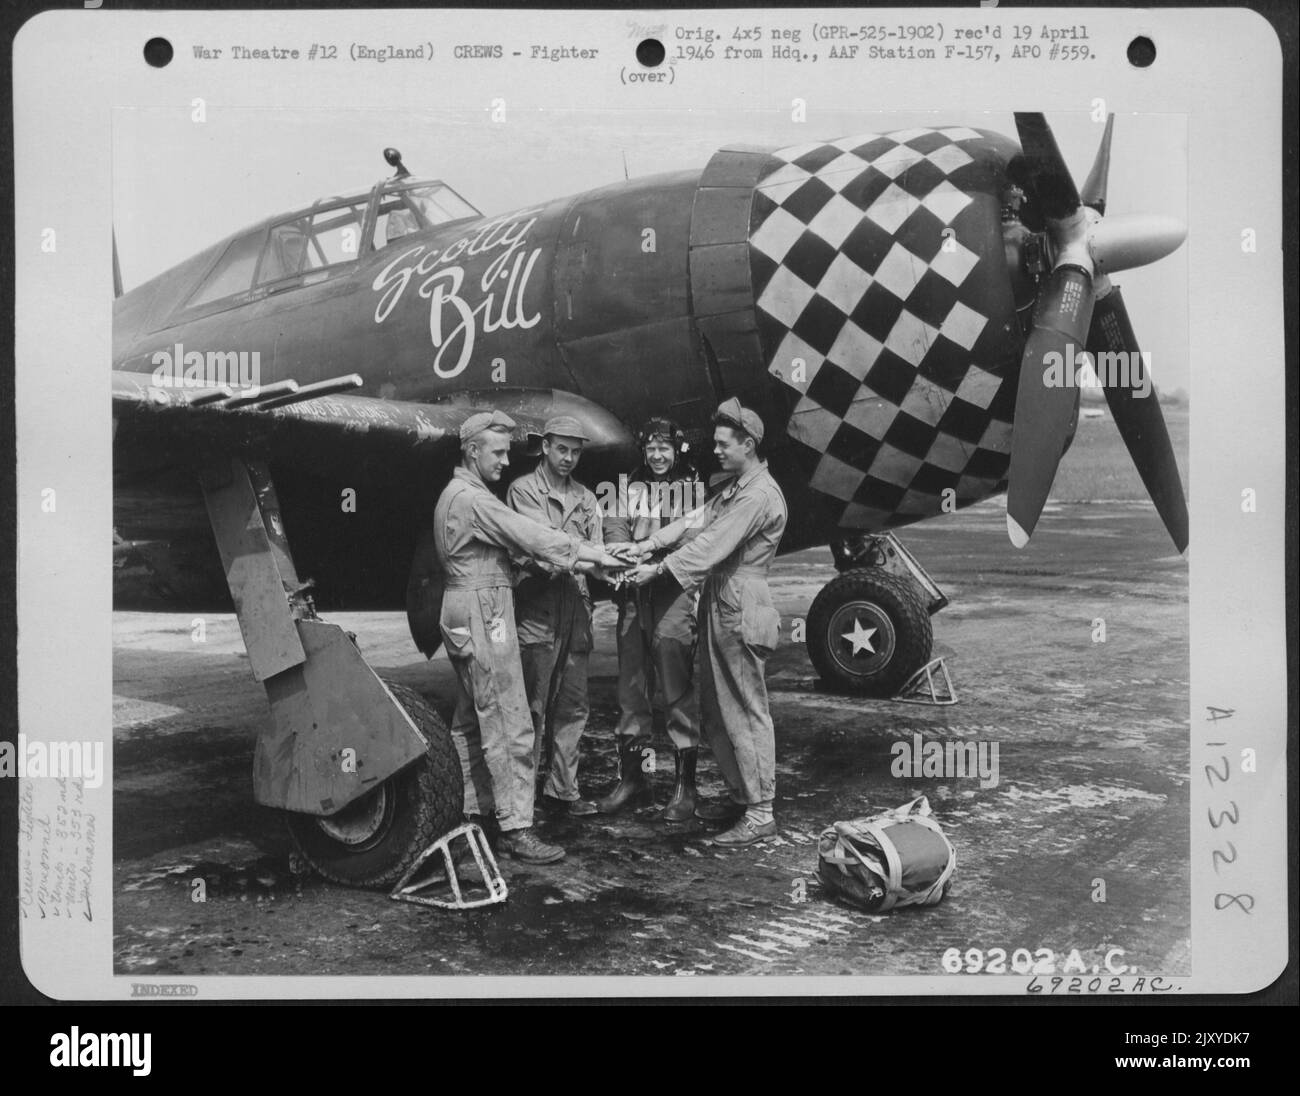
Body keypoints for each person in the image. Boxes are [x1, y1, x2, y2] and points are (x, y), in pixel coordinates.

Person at [434, 410, 625, 864]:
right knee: (511, 722)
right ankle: (517, 828)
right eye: (497, 453)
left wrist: (592, 556)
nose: (504, 461)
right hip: (485, 610)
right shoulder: (476, 500)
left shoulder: (462, 493)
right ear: (472, 450)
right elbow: (532, 537)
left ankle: (467, 815)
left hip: (467, 606)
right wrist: (590, 553)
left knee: (470, 720)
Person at [625, 399, 787, 847]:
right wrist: (647, 545)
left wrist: (656, 569)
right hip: (721, 598)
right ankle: (742, 796)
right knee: (718, 706)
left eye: (722, 444)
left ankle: (760, 812)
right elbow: (695, 519)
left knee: (745, 706)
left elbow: (711, 543)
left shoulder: (757, 495)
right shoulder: (737, 488)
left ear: (748, 445)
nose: (713, 450)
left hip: (740, 599)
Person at [598, 418, 704, 821]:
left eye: (665, 448)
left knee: (675, 687)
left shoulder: (692, 491)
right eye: (651, 448)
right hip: (632, 594)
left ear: (677, 450)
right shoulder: (627, 488)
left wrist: (653, 564)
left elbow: (692, 542)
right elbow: (613, 530)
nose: (658, 455)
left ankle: (686, 790)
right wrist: (624, 555)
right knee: (631, 687)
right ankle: (635, 781)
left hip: (672, 594)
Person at [507, 416, 604, 817]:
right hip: (538, 609)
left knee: (573, 707)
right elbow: (544, 546)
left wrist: (600, 559)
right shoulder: (523, 491)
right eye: (562, 448)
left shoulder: (586, 498)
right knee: (532, 708)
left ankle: (563, 791)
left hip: (576, 610)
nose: (568, 458)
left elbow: (593, 552)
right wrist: (586, 556)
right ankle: (521, 803)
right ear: (545, 446)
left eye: (576, 451)